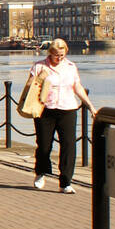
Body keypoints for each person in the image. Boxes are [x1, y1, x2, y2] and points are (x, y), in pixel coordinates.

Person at [30, 38, 96, 194]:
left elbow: (77, 87)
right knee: (44, 145)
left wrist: (91, 107)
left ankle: (65, 181)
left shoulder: (71, 67)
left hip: (67, 109)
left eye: (62, 54)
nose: (59, 58)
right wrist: (34, 81)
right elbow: (30, 86)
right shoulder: (40, 66)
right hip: (45, 109)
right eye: (56, 55)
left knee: (69, 145)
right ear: (50, 53)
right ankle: (41, 172)